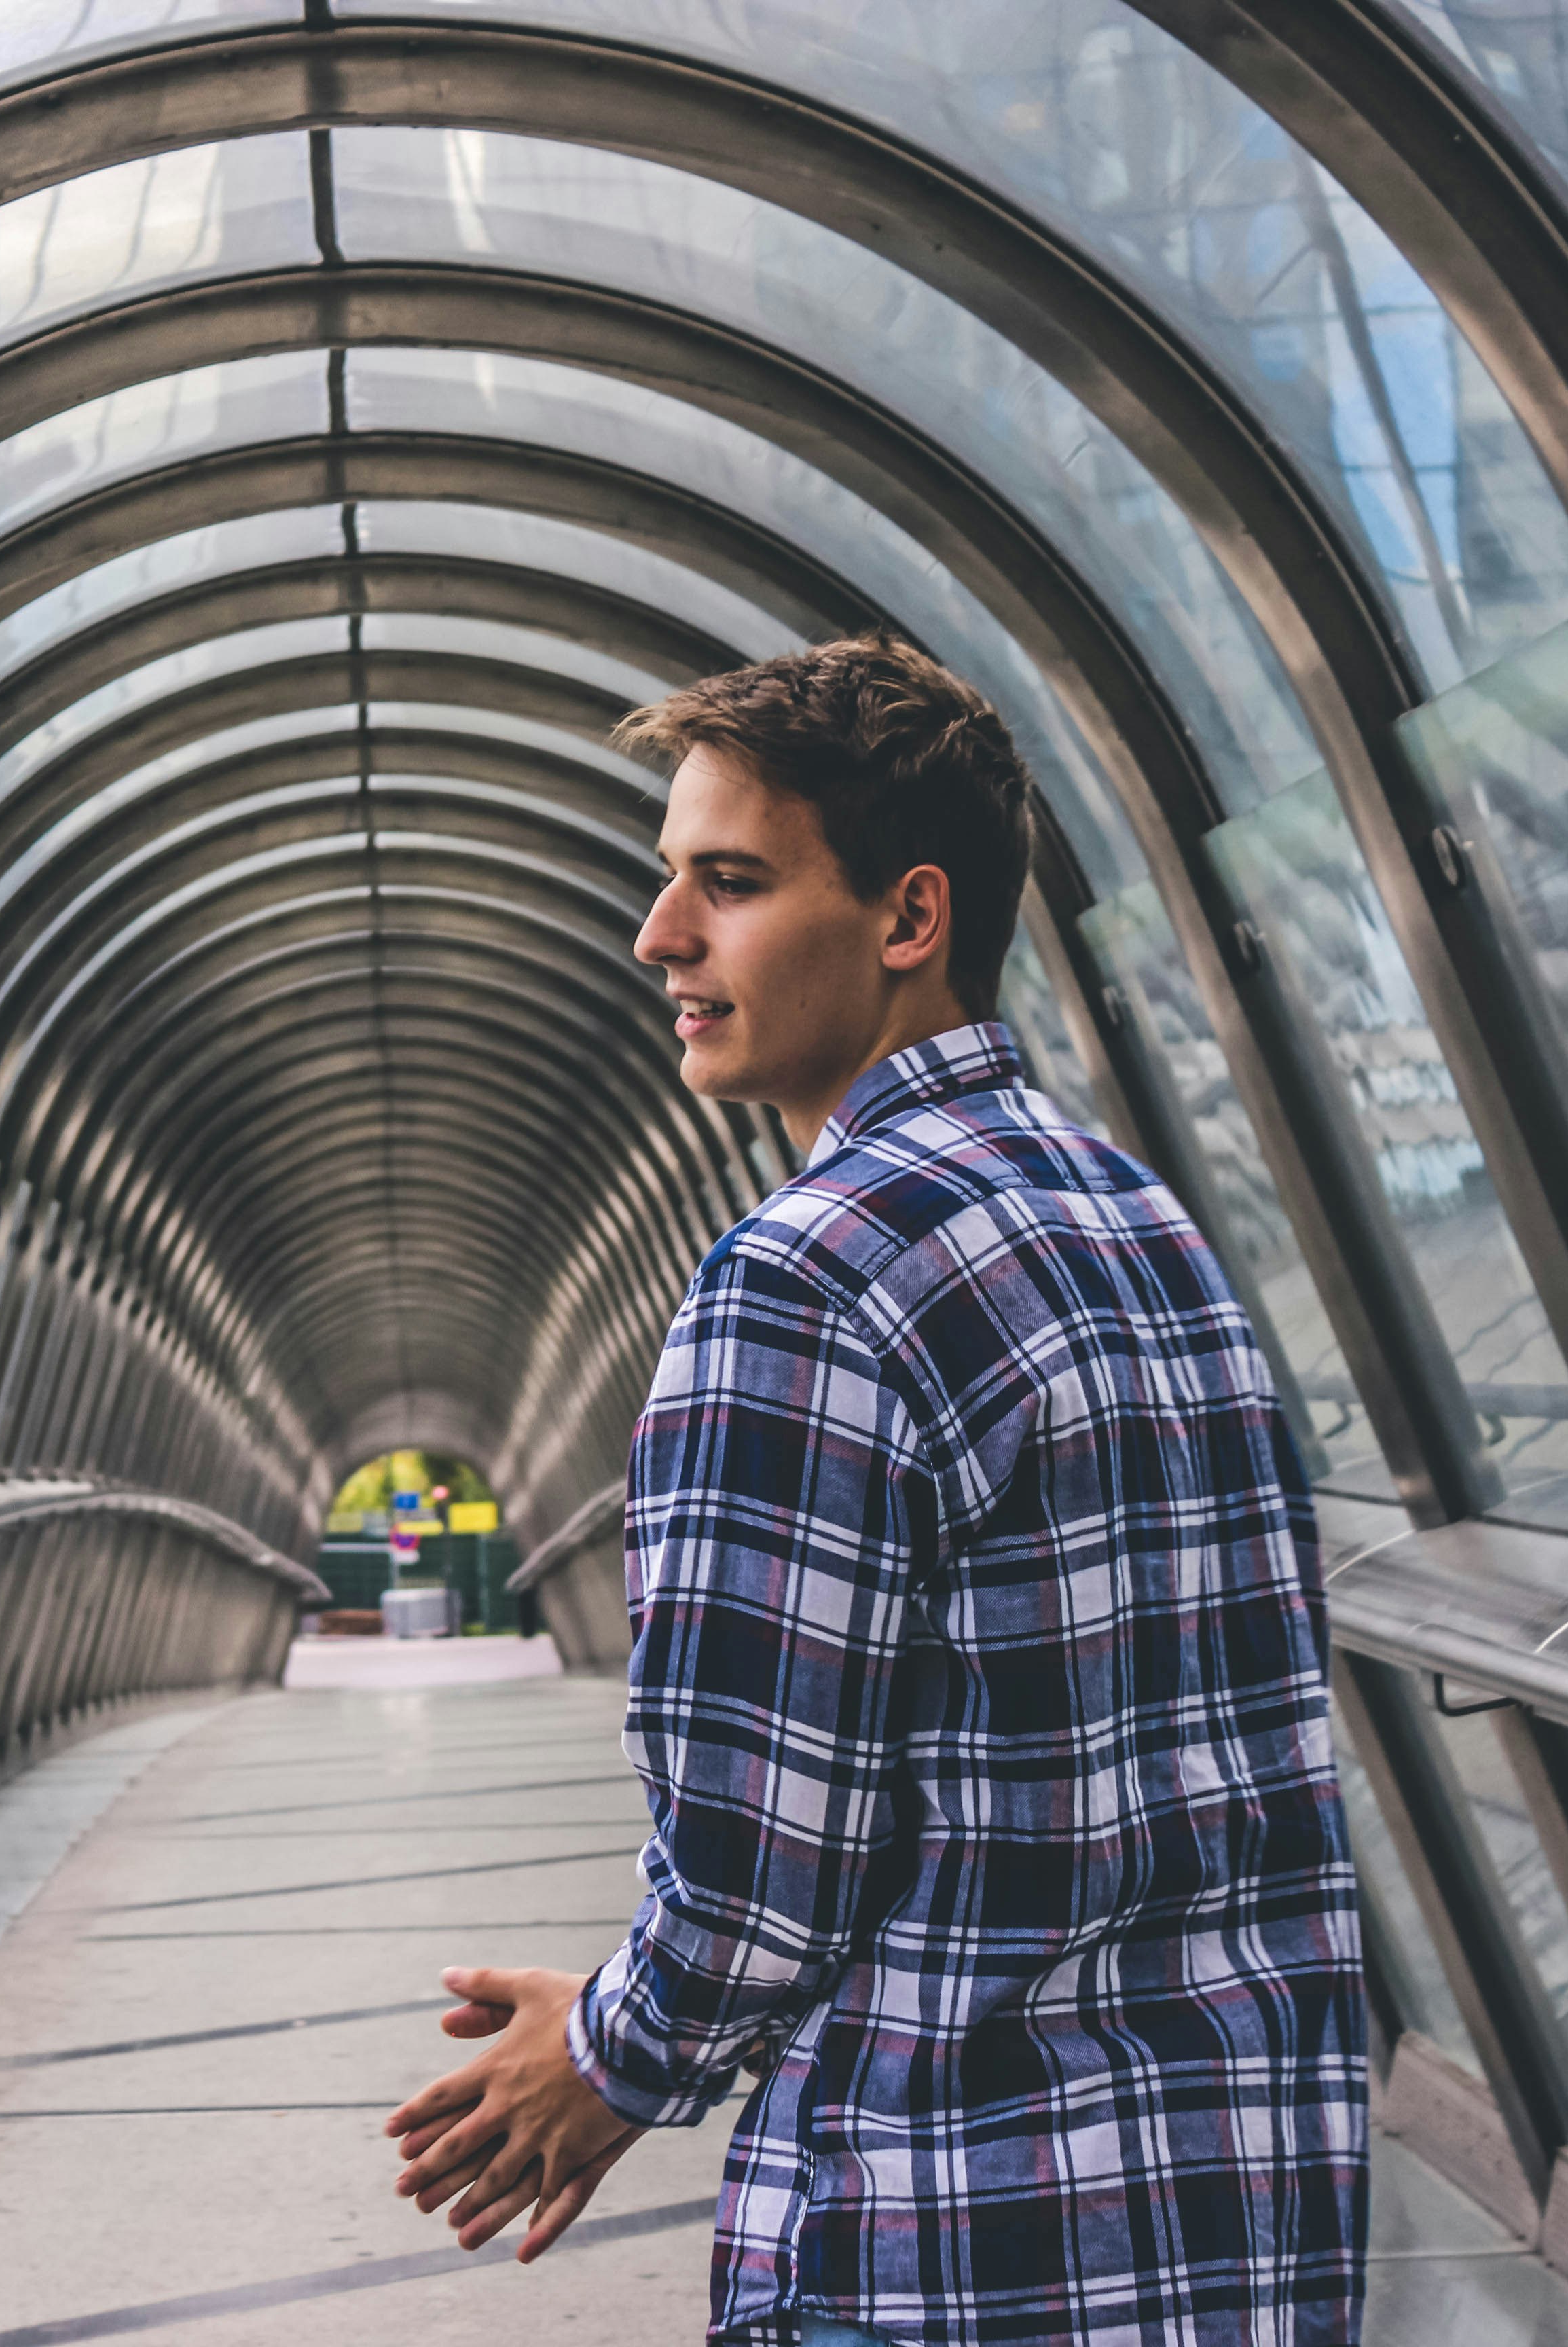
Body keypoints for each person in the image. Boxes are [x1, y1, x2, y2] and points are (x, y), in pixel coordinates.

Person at [382, 638, 1366, 2344]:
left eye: (731, 883)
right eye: (665, 880)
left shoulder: (808, 1281)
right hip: (1238, 2214)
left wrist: (609, 2057)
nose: (660, 937)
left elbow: (766, 1868)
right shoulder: (1139, 1225)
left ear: (911, 919)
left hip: (961, 2234)